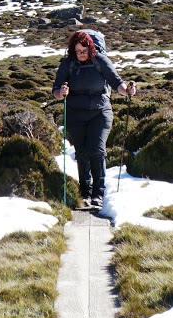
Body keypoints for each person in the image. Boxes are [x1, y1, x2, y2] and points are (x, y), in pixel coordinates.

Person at [52, 29, 133, 211]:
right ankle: (85, 194)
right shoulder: (68, 64)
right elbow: (56, 89)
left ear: (91, 48)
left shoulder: (101, 61)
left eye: (84, 51)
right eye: (78, 51)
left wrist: (126, 90)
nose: (81, 55)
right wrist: (61, 93)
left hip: (100, 112)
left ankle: (98, 194)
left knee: (97, 150)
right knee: (82, 153)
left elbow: (116, 82)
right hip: (75, 114)